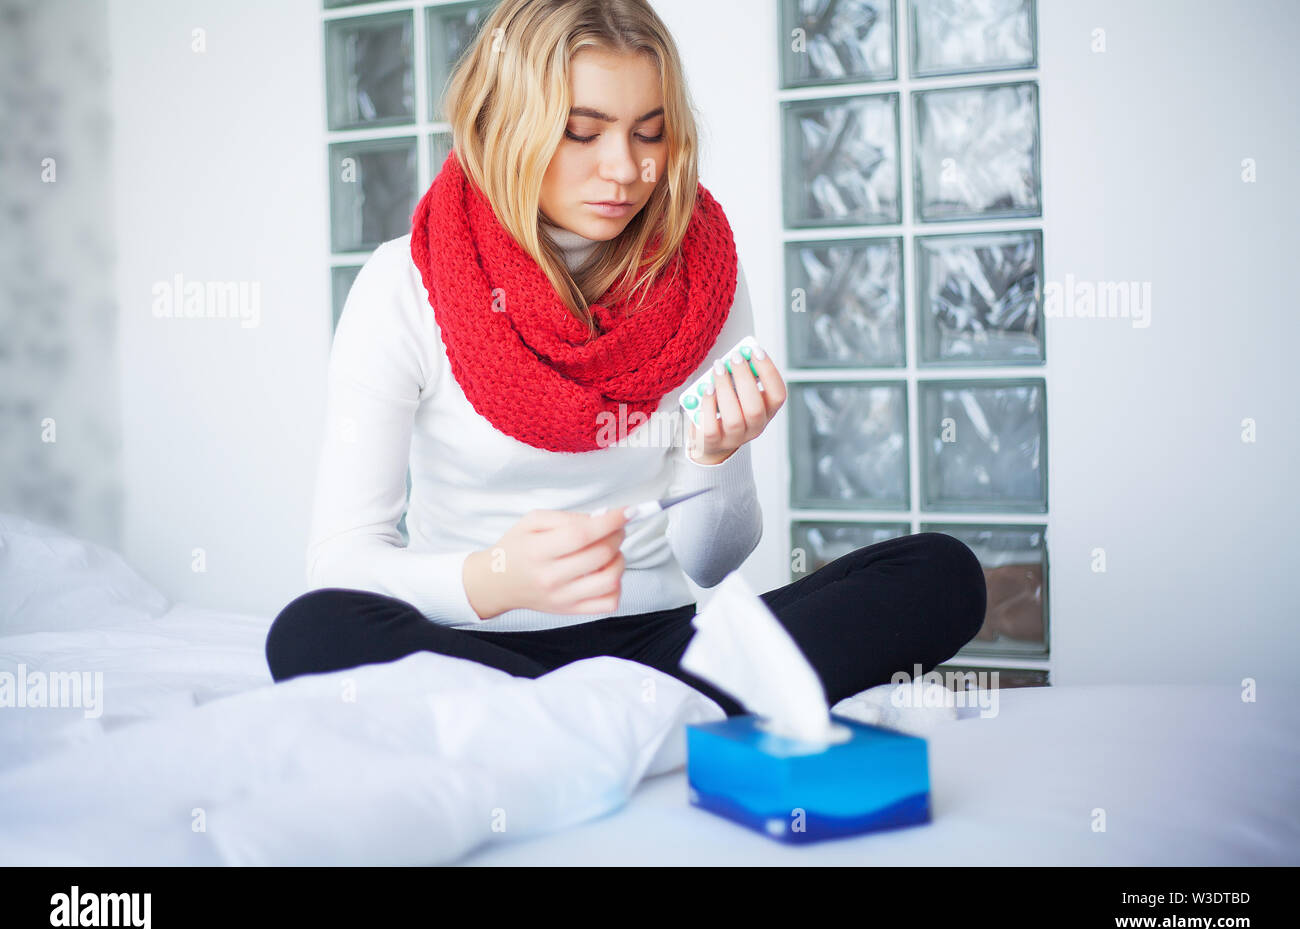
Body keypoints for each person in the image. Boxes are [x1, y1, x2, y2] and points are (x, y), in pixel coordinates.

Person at [265, 0, 987, 716]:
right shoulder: (404, 283)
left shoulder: (702, 275)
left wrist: (715, 456)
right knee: (311, 632)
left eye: (651, 133)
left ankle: (575, 727)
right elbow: (341, 562)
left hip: (661, 647)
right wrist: (494, 578)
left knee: (940, 575)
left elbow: (711, 562)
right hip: (475, 645)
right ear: (500, 123)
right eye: (583, 132)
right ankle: (654, 722)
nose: (627, 169)